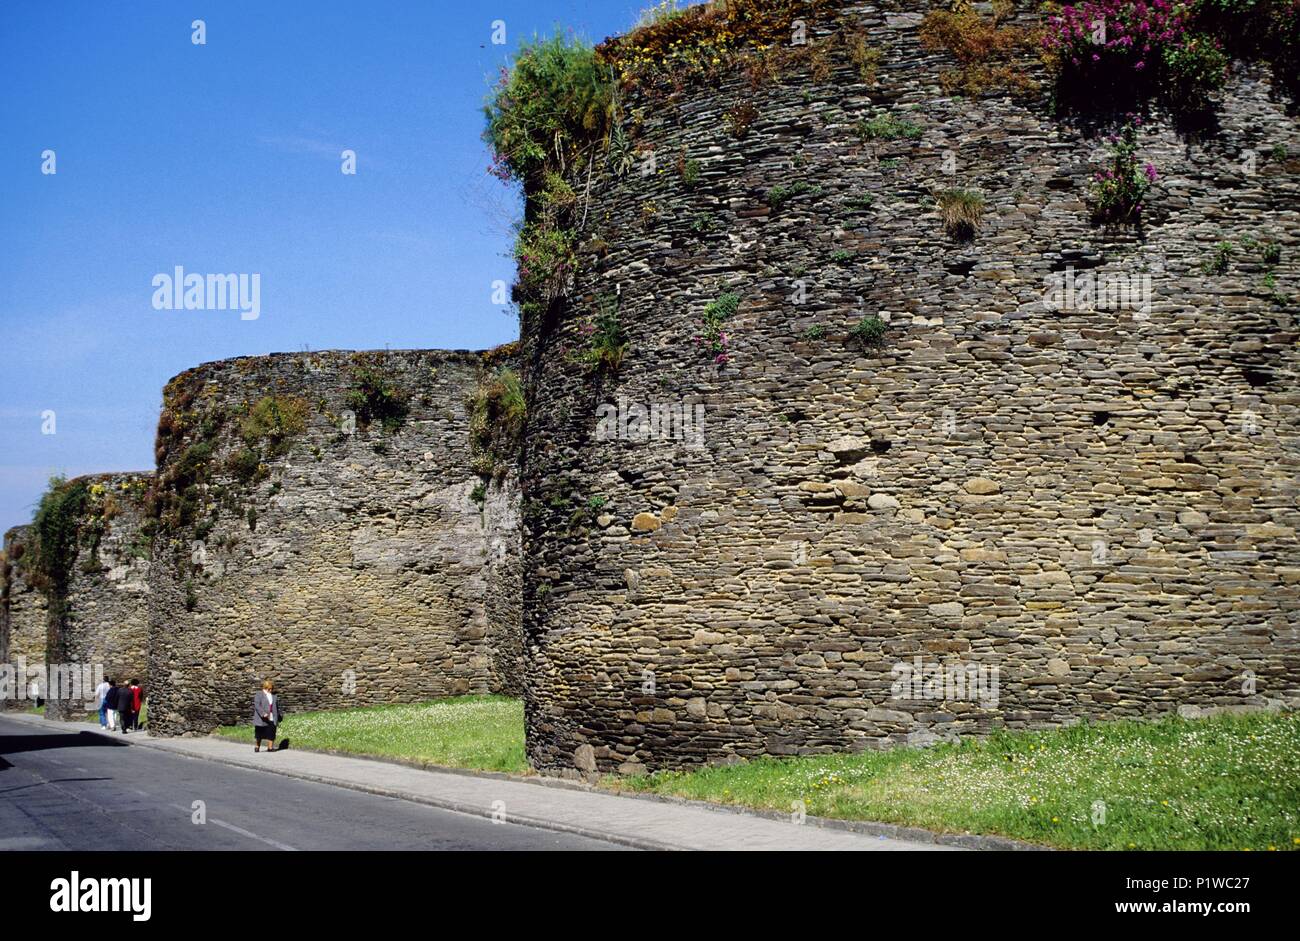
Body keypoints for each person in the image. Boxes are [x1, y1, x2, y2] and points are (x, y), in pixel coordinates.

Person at [253, 679, 282, 753]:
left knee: (272, 731)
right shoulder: (259, 694)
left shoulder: (274, 696)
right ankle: (257, 746)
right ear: (265, 687)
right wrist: (263, 713)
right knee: (259, 732)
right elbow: (257, 705)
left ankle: (270, 747)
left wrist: (279, 715)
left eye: (271, 688)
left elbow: (277, 706)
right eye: (269, 688)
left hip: (272, 716)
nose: (270, 690)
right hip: (262, 717)